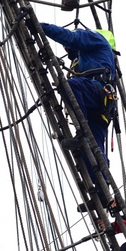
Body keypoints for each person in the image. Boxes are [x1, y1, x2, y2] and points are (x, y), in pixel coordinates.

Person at [41, 23, 117, 163]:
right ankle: (101, 183)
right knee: (92, 155)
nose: (68, 52)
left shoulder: (94, 37)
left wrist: (40, 27)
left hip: (96, 93)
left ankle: (81, 133)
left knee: (71, 85)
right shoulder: (89, 57)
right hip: (100, 108)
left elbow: (70, 37)